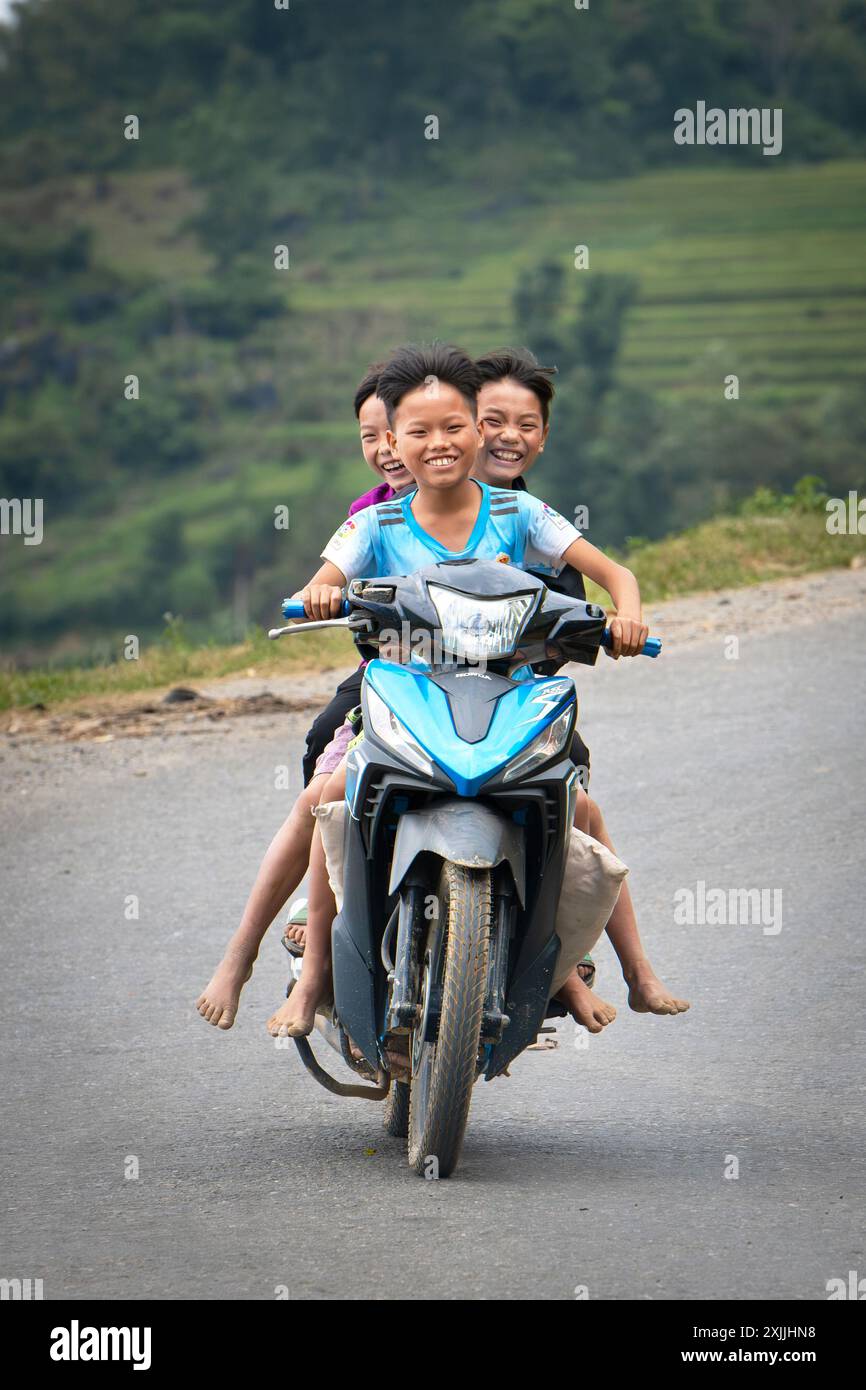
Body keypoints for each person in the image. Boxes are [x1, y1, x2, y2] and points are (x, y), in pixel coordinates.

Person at [264, 342, 689, 1041]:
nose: (457, 441)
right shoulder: (379, 519)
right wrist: (321, 592)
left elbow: (608, 578)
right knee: (331, 779)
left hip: (506, 688)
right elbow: (332, 571)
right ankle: (308, 950)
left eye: (459, 427)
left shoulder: (523, 517)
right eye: (421, 432)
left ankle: (580, 969)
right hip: (405, 681)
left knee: (573, 796)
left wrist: (625, 617)